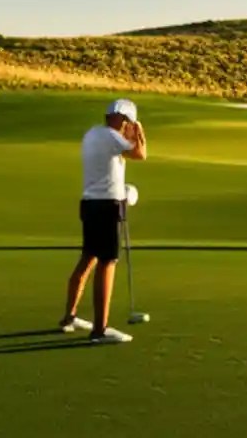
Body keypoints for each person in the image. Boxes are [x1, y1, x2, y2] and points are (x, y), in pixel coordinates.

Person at [59, 98, 148, 344]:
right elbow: (140, 154)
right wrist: (139, 132)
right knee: (107, 263)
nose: (127, 127)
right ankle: (100, 329)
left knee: (88, 258)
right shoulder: (111, 137)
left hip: (90, 204)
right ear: (124, 120)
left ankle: (70, 317)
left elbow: (113, 165)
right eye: (128, 122)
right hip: (106, 206)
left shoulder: (93, 134)